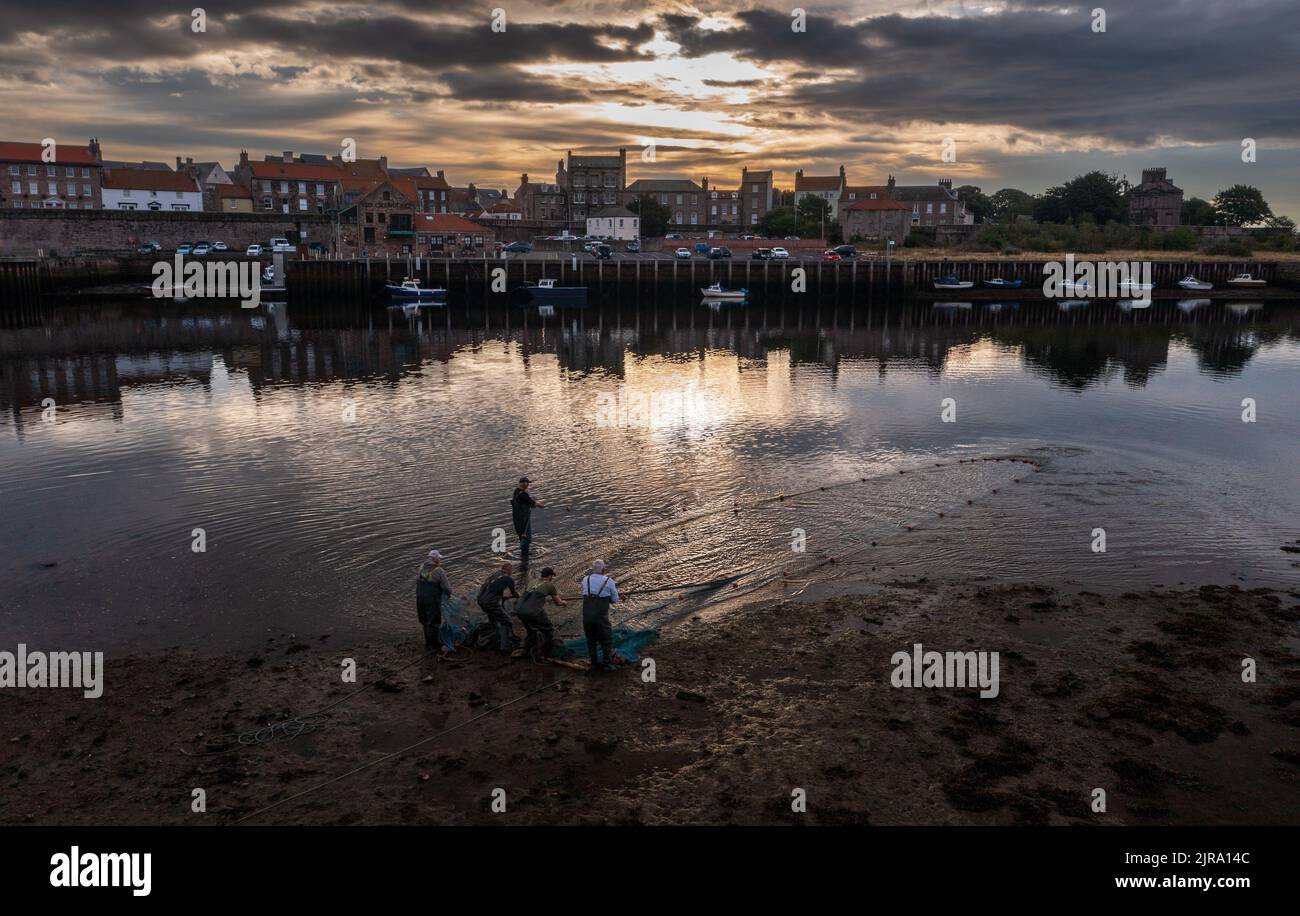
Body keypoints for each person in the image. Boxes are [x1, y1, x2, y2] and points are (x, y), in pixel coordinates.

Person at [513, 566, 568, 660]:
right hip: (533, 612)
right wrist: (564, 603)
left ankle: (524, 648)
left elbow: (531, 596)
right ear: (550, 576)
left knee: (530, 630)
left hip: (518, 610)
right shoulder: (549, 585)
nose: (552, 578)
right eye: (552, 576)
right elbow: (558, 602)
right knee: (549, 630)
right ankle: (544, 652)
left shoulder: (532, 581)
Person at [581, 560, 621, 672]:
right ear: (604, 570)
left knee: (591, 640)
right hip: (601, 619)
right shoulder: (609, 581)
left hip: (587, 617)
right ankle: (607, 664)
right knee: (606, 640)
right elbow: (614, 600)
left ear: (592, 569)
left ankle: (593, 664)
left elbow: (586, 593)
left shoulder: (585, 579)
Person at [477, 561, 520, 652]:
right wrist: (520, 597)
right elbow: (514, 593)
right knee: (507, 621)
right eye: (512, 570)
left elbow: (490, 591)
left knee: (493, 619)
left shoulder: (494, 575)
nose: (512, 572)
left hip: (480, 600)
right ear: (509, 570)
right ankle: (505, 647)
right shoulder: (508, 579)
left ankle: (497, 638)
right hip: (491, 603)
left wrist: (505, 598)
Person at [415, 550, 451, 651]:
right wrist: (449, 596)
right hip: (432, 600)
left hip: (420, 598)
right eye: (439, 559)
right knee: (434, 622)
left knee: (424, 621)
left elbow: (417, 581)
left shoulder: (421, 567)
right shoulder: (438, 570)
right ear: (435, 559)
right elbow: (447, 588)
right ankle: (435, 645)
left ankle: (428, 644)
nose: (440, 560)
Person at [511, 477, 544, 572]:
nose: (527, 485)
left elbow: (527, 503)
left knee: (522, 538)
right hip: (523, 521)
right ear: (523, 484)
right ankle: (524, 561)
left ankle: (523, 558)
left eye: (528, 483)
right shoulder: (523, 494)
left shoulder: (516, 492)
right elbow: (535, 503)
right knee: (526, 539)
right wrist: (541, 505)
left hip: (517, 520)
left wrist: (533, 504)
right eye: (526, 483)